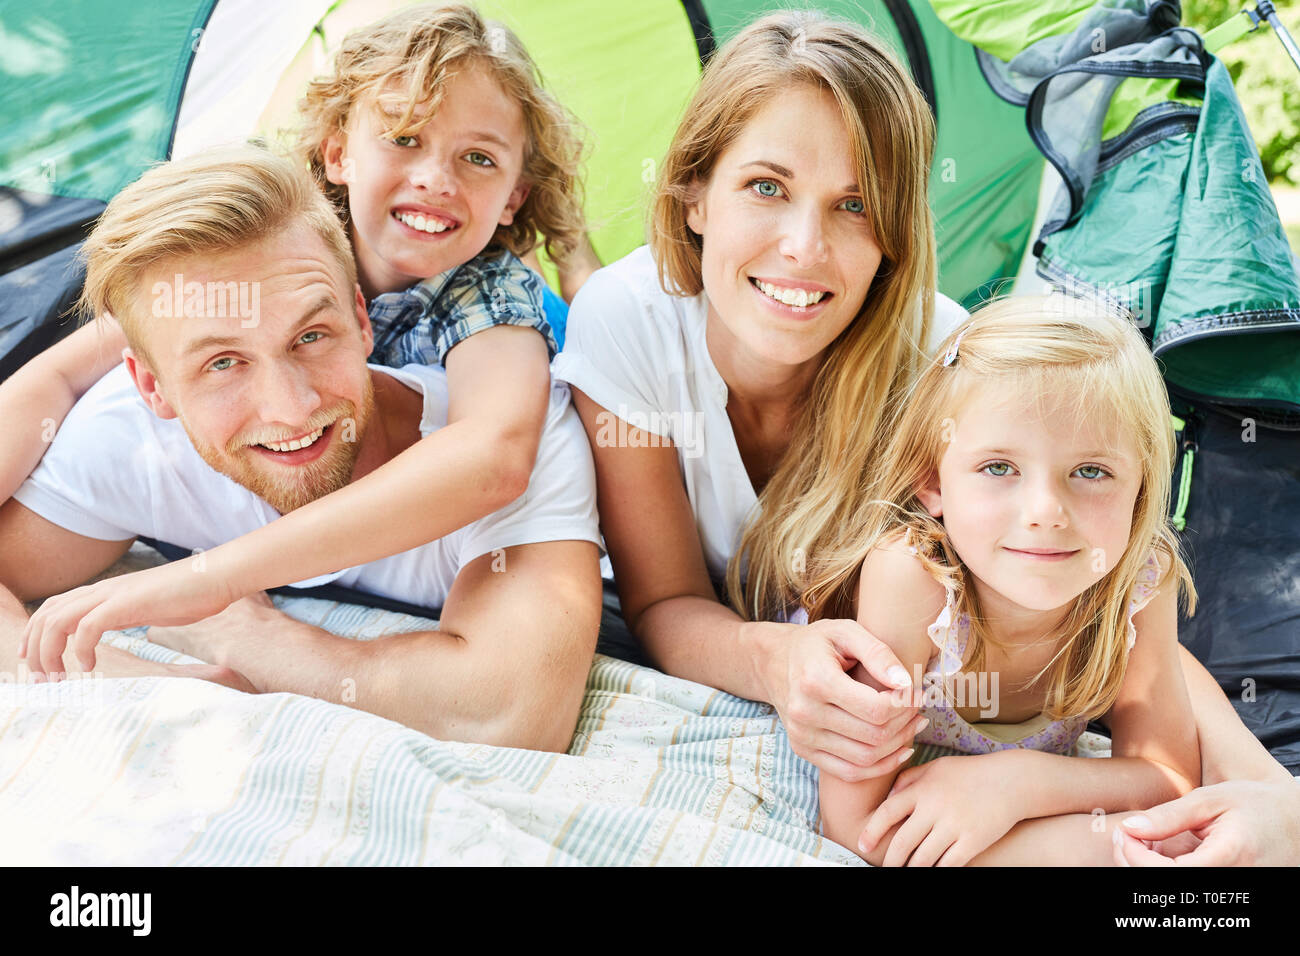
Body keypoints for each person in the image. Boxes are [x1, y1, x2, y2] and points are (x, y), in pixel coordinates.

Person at [555, 9, 1300, 865]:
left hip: (991, 670)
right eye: (766, 186)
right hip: (837, 663)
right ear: (693, 194)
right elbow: (659, 605)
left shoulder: (937, 360)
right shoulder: (631, 322)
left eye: (855, 204)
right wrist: (779, 661)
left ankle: (1279, 802)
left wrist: (1255, 797)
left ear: (896, 232)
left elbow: (1122, 607)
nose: (804, 247)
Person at [2, 3, 599, 648]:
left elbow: (494, 459)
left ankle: (577, 255)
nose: (436, 180)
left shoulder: (492, 296)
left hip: (390, 496)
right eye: (404, 138)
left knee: (589, 320)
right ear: (338, 153)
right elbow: (58, 375)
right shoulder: (277, 250)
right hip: (284, 469)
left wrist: (217, 577)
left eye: (479, 158)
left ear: (513, 195)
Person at [2, 146, 603, 753]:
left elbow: (505, 715)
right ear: (153, 388)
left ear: (362, 323)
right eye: (223, 362)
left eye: (312, 336)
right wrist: (145, 677)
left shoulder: (519, 433)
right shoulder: (132, 444)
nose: (291, 407)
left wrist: (241, 635)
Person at [813, 295, 1199, 865]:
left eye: (1090, 471)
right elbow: (854, 829)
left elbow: (1169, 777)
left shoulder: (1139, 584)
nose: (1045, 511)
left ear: (1142, 488)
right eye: (999, 467)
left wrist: (1017, 783)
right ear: (933, 481)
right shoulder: (912, 580)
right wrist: (1089, 847)